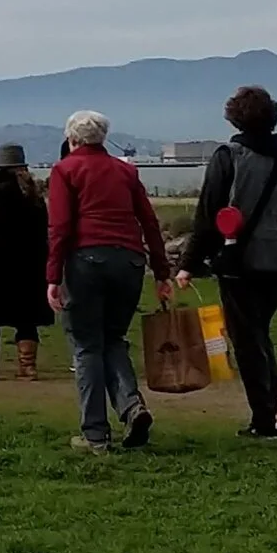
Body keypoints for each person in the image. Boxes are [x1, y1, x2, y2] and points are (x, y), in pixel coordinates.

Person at [175, 87, 277, 441]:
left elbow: (209, 213)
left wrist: (188, 262)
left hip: (240, 261)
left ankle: (265, 419)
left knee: (247, 341)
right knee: (258, 334)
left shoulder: (228, 156)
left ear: (234, 116)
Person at [46, 113, 175, 454]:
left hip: (86, 260)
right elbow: (149, 221)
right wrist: (162, 272)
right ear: (102, 138)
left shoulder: (65, 171)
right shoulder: (126, 171)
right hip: (130, 260)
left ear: (71, 140)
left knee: (87, 345)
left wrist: (52, 276)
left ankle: (95, 434)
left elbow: (59, 227)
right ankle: (132, 406)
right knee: (114, 339)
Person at [0, 145, 53, 382]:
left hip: (2, 263)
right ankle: (27, 367)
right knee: (26, 316)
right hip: (32, 264)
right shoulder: (34, 194)